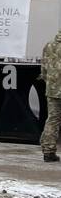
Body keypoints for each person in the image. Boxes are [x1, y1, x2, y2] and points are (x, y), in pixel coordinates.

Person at [43, 27, 60, 163]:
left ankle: (48, 152)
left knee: (52, 120)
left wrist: (48, 82)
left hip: (53, 90)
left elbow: (43, 68)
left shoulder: (49, 45)